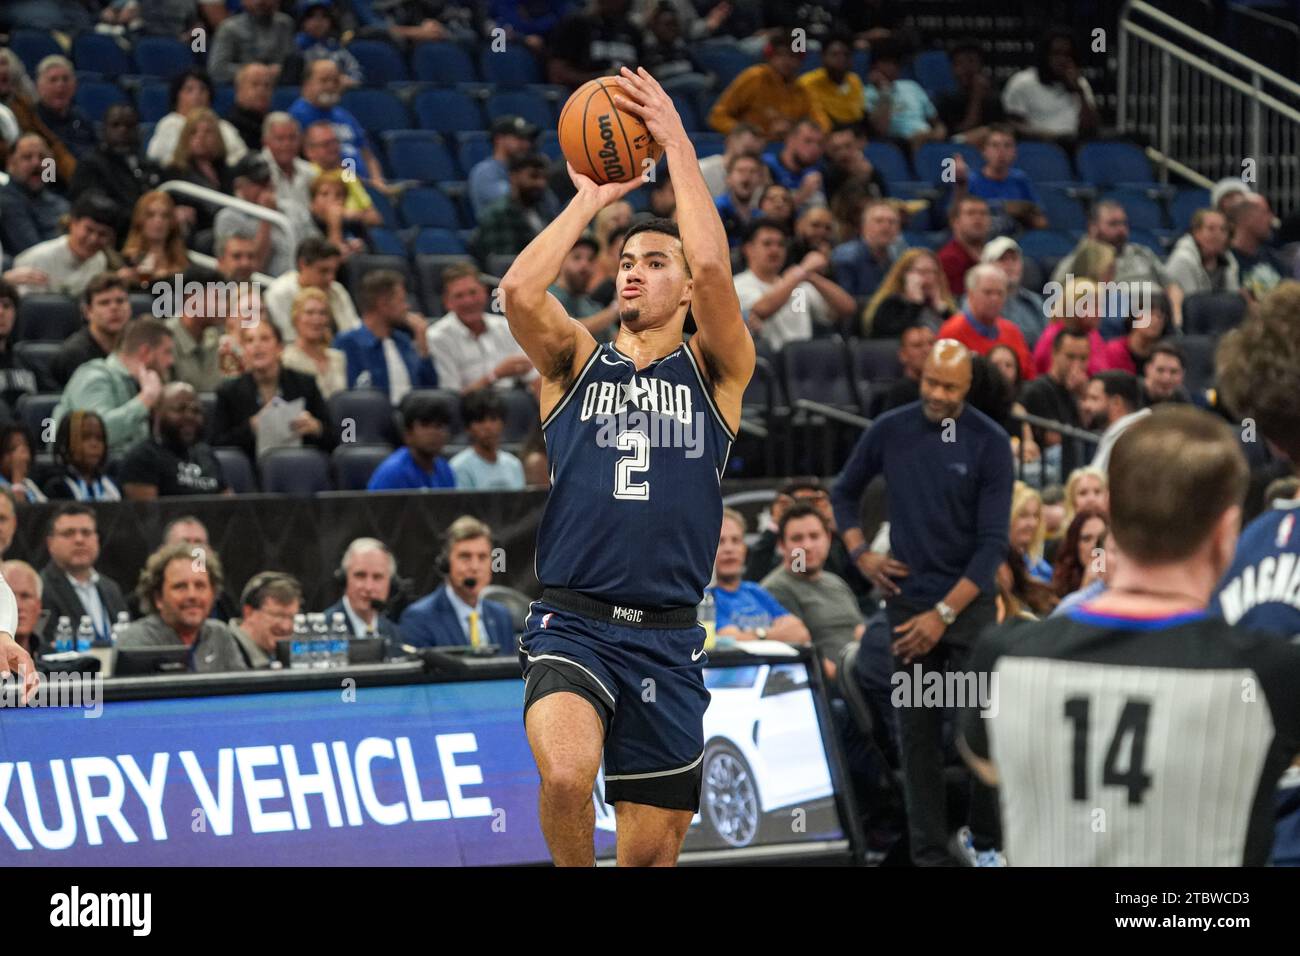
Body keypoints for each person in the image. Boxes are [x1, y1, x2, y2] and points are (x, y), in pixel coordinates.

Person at [501, 66, 754, 866]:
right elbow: (516, 291)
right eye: (624, 263)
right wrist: (589, 201)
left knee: (647, 859)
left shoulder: (717, 371)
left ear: (684, 289)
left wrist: (677, 142)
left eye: (654, 260)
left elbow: (718, 270)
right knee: (568, 777)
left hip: (669, 641)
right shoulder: (576, 361)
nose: (633, 270)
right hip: (573, 622)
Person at [960, 407, 1300, 865]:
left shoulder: (1000, 656)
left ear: (1111, 518)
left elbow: (990, 777)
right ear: (1226, 533)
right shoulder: (1271, 673)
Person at [831, 339, 1012, 866]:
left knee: (980, 729)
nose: (935, 393)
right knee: (917, 737)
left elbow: (992, 547)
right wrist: (861, 554)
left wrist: (945, 615)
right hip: (908, 607)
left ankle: (986, 845)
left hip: (968, 608)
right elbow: (843, 493)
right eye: (930, 382)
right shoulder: (891, 429)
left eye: (948, 387)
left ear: (968, 387)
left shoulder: (990, 443)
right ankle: (929, 855)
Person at [758, 501, 864, 671]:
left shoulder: (836, 582)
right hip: (827, 687)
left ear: (828, 539)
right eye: (797, 538)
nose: (807, 546)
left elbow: (859, 630)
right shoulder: (774, 589)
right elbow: (800, 654)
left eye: (814, 536)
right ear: (782, 545)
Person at [212, 318, 333, 461]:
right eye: (250, 341)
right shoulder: (229, 392)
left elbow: (336, 437)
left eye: (265, 339)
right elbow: (216, 444)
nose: (257, 346)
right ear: (244, 350)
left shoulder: (305, 384)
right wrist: (252, 427)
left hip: (299, 467)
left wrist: (316, 428)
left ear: (279, 347)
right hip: (251, 472)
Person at [118, 541, 247, 673]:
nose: (192, 595)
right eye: (180, 587)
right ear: (158, 598)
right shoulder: (134, 643)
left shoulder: (220, 634)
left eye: (200, 586)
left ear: (213, 594)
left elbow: (244, 690)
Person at [54, 316, 174, 457]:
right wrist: (145, 400)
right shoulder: (94, 376)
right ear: (145, 352)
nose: (171, 361)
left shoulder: (143, 384)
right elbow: (95, 435)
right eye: (167, 352)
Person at [1051, 200, 1182, 328]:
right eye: (1113, 224)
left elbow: (1172, 286)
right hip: (1119, 325)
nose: (1121, 230)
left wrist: (1176, 318)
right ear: (1093, 228)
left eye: (1123, 224)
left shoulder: (1141, 252)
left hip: (1159, 317)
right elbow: (1059, 305)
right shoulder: (1078, 260)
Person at [733, 218, 853, 350]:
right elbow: (761, 309)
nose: (775, 250)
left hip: (803, 360)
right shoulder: (738, 284)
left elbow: (847, 308)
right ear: (748, 249)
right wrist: (802, 270)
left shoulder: (798, 285)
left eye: (781, 244)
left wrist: (812, 277)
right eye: (767, 244)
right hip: (766, 361)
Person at [400, 517, 515, 653]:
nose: (474, 567)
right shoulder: (419, 619)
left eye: (482, 557)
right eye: (465, 557)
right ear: (446, 564)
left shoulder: (501, 616)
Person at [426, 264, 538, 393]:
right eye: (459, 296)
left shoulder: (505, 326)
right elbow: (453, 399)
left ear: (485, 293)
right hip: (471, 408)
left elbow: (533, 375)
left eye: (473, 292)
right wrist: (496, 375)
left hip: (512, 404)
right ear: (447, 302)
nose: (468, 301)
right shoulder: (437, 337)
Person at [709, 508, 810, 644]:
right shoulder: (705, 598)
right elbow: (731, 641)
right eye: (720, 542)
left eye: (736, 540)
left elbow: (800, 633)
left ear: (744, 549)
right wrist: (774, 633)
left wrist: (757, 634)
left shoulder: (755, 591)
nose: (729, 549)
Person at [335, 269, 438, 402]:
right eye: (401, 300)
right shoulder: (348, 343)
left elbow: (429, 391)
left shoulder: (404, 342)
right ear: (383, 304)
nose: (407, 306)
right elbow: (348, 399)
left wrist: (423, 346)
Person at [40, 504, 131, 647]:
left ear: (97, 539)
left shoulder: (111, 588)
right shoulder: (41, 588)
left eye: (86, 532)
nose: (79, 540)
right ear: (50, 543)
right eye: (68, 533)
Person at [67, 104, 164, 237]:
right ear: (103, 129)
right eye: (115, 125)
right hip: (112, 235)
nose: (122, 130)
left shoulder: (150, 165)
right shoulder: (91, 165)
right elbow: (93, 206)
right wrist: (140, 220)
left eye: (129, 126)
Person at [121, 382, 229, 499]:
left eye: (196, 411)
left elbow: (232, 508)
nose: (189, 416)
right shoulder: (142, 457)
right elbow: (146, 515)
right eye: (180, 409)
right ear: (156, 413)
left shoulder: (205, 453)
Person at [288, 60, 382, 188]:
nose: (331, 86)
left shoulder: (344, 115)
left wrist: (377, 181)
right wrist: (353, 181)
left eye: (335, 81)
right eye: (324, 80)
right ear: (307, 84)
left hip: (363, 186)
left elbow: (367, 154)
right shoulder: (298, 115)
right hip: (333, 187)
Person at [708, 41, 829, 138]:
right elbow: (717, 116)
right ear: (770, 55)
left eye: (793, 56)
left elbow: (822, 125)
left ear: (801, 60)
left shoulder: (801, 88)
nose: (787, 61)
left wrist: (794, 130)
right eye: (781, 54)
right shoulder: (755, 77)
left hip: (786, 149)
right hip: (749, 146)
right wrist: (749, 132)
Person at [937, 263, 1035, 380]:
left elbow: (1029, 375)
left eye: (1000, 293)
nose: (995, 299)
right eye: (988, 292)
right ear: (970, 294)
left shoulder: (1012, 331)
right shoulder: (952, 333)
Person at [12, 191, 120, 298]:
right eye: (89, 230)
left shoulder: (99, 260)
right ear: (73, 224)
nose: (93, 239)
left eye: (102, 234)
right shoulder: (35, 259)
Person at [1001, 27, 1099, 142]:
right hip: (1036, 145)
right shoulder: (1022, 82)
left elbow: (1091, 128)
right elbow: (1012, 124)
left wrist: (1079, 91)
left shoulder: (1080, 83)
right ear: (1045, 55)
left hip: (1074, 145)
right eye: (1056, 54)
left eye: (1067, 55)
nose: (1062, 60)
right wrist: (1044, 136)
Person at [1019, 326, 1090, 482]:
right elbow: (1054, 439)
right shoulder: (1037, 389)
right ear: (1054, 354)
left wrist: (1082, 397)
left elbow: (1085, 431)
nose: (1076, 365)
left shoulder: (1081, 394)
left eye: (1083, 358)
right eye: (1070, 357)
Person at [951, 125, 1047, 234]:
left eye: (1007, 145)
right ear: (984, 151)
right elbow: (954, 222)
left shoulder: (1021, 179)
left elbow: (1042, 223)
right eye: (995, 145)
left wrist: (1024, 212)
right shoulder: (971, 180)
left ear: (1015, 152)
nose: (1001, 151)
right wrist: (960, 186)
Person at [145, 69, 249, 168]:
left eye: (203, 89)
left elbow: (243, 157)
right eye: (189, 90)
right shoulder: (170, 124)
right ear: (177, 96)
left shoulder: (224, 126)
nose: (197, 95)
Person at [264, 237, 361, 342]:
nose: (331, 278)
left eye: (334, 271)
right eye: (323, 271)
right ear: (303, 264)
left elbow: (354, 330)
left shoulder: (336, 290)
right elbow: (287, 339)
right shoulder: (279, 294)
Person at [214, 154, 296, 277]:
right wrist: (266, 217)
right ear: (239, 186)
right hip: (265, 285)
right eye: (259, 184)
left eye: (268, 182)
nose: (266, 189)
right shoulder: (229, 218)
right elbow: (255, 265)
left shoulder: (291, 208)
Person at [473, 153, 560, 263]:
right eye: (533, 176)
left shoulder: (543, 209)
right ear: (513, 177)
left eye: (544, 178)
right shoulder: (499, 215)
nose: (541, 183)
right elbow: (504, 263)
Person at [52, 272, 132, 388]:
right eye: (104, 303)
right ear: (87, 311)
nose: (114, 308)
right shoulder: (73, 355)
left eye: (120, 301)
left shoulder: (138, 347)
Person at [163, 108, 235, 235]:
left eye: (208, 132)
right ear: (185, 137)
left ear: (217, 137)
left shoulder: (225, 171)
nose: (201, 137)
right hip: (198, 234)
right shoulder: (174, 172)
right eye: (194, 132)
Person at [864, 37, 945, 149]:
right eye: (887, 62)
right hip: (900, 145)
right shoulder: (867, 93)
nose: (893, 67)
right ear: (874, 65)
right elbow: (881, 130)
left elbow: (937, 123)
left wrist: (938, 133)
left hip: (928, 138)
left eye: (896, 63)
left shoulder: (911, 86)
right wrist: (885, 92)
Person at [546, 0, 645, 89]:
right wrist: (602, 80)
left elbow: (645, 73)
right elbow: (557, 74)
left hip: (628, 99)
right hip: (585, 99)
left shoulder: (634, 32)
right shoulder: (575, 25)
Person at [367, 394, 456, 491]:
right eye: (425, 425)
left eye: (439, 426)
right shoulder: (393, 472)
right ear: (408, 434)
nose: (433, 433)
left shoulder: (445, 470)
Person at [860, 248, 955, 338]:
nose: (930, 278)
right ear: (905, 275)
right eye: (922, 271)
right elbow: (891, 339)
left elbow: (958, 336)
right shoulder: (891, 303)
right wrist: (915, 303)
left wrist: (942, 308)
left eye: (934, 272)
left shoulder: (941, 306)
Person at [324, 538, 403, 643]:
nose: (368, 587)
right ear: (344, 579)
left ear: (391, 584)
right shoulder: (322, 631)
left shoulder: (393, 635)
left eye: (377, 577)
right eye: (360, 575)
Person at [0, 133, 68, 255]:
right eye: (27, 157)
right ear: (11, 163)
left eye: (42, 157)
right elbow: (34, 253)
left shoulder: (60, 201)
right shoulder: (6, 200)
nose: (36, 163)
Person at [207, 0, 298, 86]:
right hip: (239, 87)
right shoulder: (229, 28)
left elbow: (292, 63)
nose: (261, 1)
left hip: (280, 85)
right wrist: (254, 72)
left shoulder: (285, 24)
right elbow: (217, 70)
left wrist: (280, 69)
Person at [451, 389, 526, 490]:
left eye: (493, 419)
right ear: (468, 428)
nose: (488, 426)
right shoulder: (459, 467)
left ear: (503, 423)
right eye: (480, 420)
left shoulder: (514, 464)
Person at [281, 287, 348, 399]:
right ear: (296, 318)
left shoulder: (339, 358)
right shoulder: (286, 360)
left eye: (322, 313)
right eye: (309, 313)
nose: (316, 319)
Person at [470, 115, 541, 218]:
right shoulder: (485, 171)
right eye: (520, 138)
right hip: (500, 232)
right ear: (499, 139)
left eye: (528, 140)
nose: (526, 144)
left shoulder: (523, 170)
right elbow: (515, 199)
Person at [548, 237, 619, 342]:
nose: (585, 264)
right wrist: (616, 308)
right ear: (561, 261)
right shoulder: (548, 297)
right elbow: (569, 331)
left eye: (590, 259)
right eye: (577, 257)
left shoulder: (592, 306)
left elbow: (616, 339)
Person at [118, 191, 191, 293]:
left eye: (165, 216)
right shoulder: (128, 260)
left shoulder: (183, 261)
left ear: (172, 222)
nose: (158, 221)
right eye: (150, 215)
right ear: (140, 220)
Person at [42, 411, 122, 502]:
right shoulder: (58, 488)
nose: (94, 444)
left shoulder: (111, 486)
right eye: (85, 437)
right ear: (66, 444)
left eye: (99, 438)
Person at [1081, 369, 1150, 473]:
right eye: (1085, 398)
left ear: (1116, 402)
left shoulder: (1130, 438)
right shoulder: (1119, 434)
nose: (1085, 405)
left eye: (1094, 398)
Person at [230, 571, 302, 668]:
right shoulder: (224, 653)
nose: (286, 626)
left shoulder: (281, 655)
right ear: (249, 613)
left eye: (292, 617)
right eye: (278, 615)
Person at [33, 56, 97, 162]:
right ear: (39, 86)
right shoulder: (34, 121)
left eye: (65, 79)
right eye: (53, 80)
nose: (60, 85)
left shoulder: (81, 117)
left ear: (74, 85)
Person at [936, 43, 1006, 140]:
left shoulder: (993, 100)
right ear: (952, 69)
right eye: (959, 63)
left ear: (981, 66)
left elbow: (1001, 133)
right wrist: (976, 97)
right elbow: (959, 135)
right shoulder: (946, 100)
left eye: (971, 61)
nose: (966, 69)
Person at [1165, 208, 1239, 297]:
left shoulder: (1229, 260)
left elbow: (1233, 299)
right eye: (1211, 229)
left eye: (1223, 229)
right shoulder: (1182, 260)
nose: (1218, 235)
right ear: (1196, 232)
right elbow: (1191, 304)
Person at [796, 32, 864, 127]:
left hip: (852, 132)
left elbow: (858, 115)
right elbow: (817, 118)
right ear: (823, 56)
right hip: (823, 134)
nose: (841, 59)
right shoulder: (808, 82)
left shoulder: (855, 80)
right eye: (835, 54)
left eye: (846, 54)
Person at [1094, 293, 1170, 377]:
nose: (1155, 320)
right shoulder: (1114, 350)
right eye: (1149, 314)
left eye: (1160, 316)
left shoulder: (1164, 354)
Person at [1228, 193, 1286, 301]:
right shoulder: (1225, 263)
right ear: (1248, 218)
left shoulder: (1275, 260)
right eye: (1266, 212)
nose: (1272, 219)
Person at [761, 119, 826, 210]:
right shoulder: (766, 165)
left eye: (819, 143)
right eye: (808, 141)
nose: (815, 148)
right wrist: (802, 195)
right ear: (790, 139)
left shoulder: (817, 171)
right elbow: (763, 213)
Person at [261, 113, 316, 215]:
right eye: (280, 139)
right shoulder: (256, 172)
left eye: (292, 138)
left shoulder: (309, 171)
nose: (287, 144)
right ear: (265, 141)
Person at [937, 196, 991, 298]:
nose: (978, 218)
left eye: (983, 213)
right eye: (971, 213)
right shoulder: (948, 260)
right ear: (955, 222)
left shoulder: (995, 255)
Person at [1050, 507, 1109, 599]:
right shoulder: (1062, 583)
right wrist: (1086, 588)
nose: (1094, 545)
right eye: (1086, 539)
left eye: (1101, 539)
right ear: (1075, 544)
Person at [878, 324, 937, 412]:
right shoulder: (899, 394)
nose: (927, 350)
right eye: (917, 345)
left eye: (931, 343)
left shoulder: (945, 387)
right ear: (903, 355)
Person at [698, 123, 764, 199]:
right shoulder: (701, 169)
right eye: (747, 149)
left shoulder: (759, 176)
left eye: (756, 154)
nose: (750, 158)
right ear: (729, 141)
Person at [715, 152, 765, 248]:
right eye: (741, 171)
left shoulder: (759, 216)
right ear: (728, 178)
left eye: (752, 171)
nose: (747, 176)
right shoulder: (715, 209)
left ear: (760, 179)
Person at [1009, 481, 1051, 583]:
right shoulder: (998, 567)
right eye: (1023, 515)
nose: (1032, 523)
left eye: (1036, 515)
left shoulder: (1041, 567)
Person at [227, 62, 275, 152]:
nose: (262, 90)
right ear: (239, 90)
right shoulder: (229, 128)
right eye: (255, 84)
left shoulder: (276, 124)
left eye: (267, 85)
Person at [2, 560, 44, 657]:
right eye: (9, 596)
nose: (18, 606)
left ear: (39, 606)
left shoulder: (54, 658)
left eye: (25, 596)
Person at [0, 425, 44, 504]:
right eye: (12, 449)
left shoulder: (29, 484)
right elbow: (18, 514)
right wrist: (17, 475)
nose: (22, 457)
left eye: (24, 449)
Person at [1142, 341, 1189, 405]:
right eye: (1160, 370)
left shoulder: (1181, 397)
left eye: (1173, 372)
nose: (1166, 378)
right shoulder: (1132, 393)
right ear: (1147, 369)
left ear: (1182, 374)